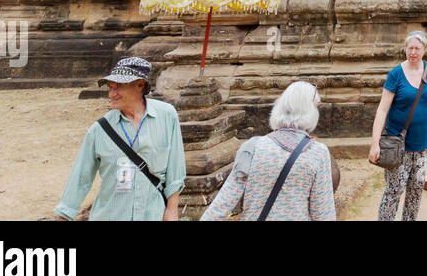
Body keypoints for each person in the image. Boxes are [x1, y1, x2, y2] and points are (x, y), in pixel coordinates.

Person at [54, 57, 185, 221]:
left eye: (118, 87)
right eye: (110, 87)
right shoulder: (100, 129)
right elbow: (81, 177)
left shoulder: (167, 115)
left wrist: (172, 210)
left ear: (140, 85)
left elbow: (175, 168)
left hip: (152, 214)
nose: (111, 94)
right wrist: (64, 216)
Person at [202, 80, 336, 221]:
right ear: (312, 112)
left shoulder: (252, 147)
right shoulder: (317, 153)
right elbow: (323, 213)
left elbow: (224, 201)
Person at [368, 31, 427, 221]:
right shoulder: (396, 74)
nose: (413, 52)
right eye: (410, 48)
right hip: (397, 146)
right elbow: (382, 109)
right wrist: (375, 143)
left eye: (417, 48)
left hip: (423, 146)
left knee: (416, 193)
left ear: (424, 50)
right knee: (393, 192)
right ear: (405, 49)